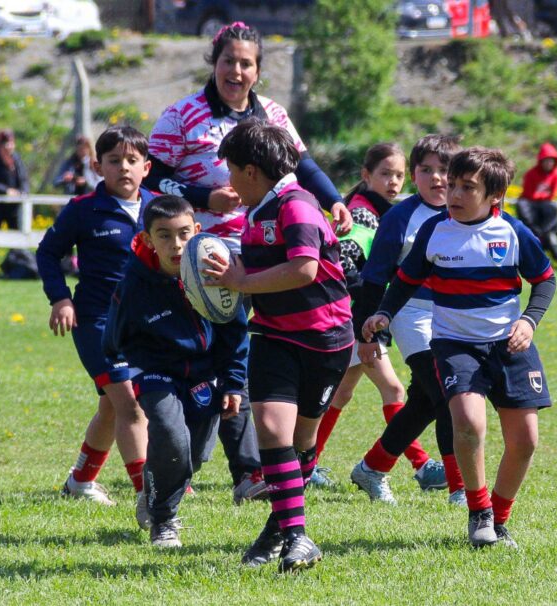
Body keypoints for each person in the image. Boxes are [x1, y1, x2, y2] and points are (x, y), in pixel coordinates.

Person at [146, 21, 354, 502]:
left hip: (265, 258)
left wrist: (334, 199)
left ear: (257, 70)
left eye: (246, 63)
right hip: (204, 259)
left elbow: (303, 164)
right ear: (213, 63)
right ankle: (191, 461)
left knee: (244, 358)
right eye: (228, 61)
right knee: (205, 359)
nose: (235, 71)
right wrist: (203, 196)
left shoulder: (274, 116)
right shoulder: (182, 116)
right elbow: (152, 180)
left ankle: (248, 472)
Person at [363, 147, 556, 549]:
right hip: (454, 344)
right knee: (469, 423)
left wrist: (528, 321)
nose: (453, 194)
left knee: (526, 441)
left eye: (468, 187)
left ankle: (499, 521)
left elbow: (545, 281)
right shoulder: (436, 231)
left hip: (509, 344)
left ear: (494, 197)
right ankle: (479, 512)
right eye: (452, 185)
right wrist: (384, 313)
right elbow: (405, 278)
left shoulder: (514, 233)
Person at [204, 120, 354, 572]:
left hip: (325, 338)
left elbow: (304, 269)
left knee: (302, 443)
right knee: (272, 428)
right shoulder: (257, 212)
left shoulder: (298, 206)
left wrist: (242, 279)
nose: (227, 182)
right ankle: (298, 537)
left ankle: (279, 530)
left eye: (231, 171)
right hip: (274, 333)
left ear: (252, 171)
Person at [104, 195, 248, 548]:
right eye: (164, 235)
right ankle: (164, 522)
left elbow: (235, 330)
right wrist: (120, 361)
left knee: (192, 458)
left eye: (184, 233)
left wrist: (232, 381)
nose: (177, 244)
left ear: (197, 231)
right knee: (170, 436)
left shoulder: (215, 271)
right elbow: (113, 335)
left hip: (204, 373)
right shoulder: (135, 284)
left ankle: (154, 494)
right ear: (149, 238)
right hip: (155, 370)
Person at [36, 126, 152, 521]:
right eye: (114, 161)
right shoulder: (83, 210)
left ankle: (81, 481)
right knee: (131, 406)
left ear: (146, 167)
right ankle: (148, 496)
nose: (124, 168)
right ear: (97, 165)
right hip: (97, 322)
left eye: (132, 160)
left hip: (146, 325)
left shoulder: (159, 208)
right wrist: (61, 298)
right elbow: (47, 252)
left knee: (111, 407)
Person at [311, 143, 443, 489]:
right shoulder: (365, 214)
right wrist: (367, 320)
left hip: (358, 316)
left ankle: (304, 464)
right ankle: (421, 463)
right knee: (394, 387)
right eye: (385, 174)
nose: (394, 182)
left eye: (399, 175)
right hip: (358, 317)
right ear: (366, 176)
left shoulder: (382, 210)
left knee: (341, 393)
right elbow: (345, 261)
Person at [348, 135, 466, 506]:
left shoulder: (465, 212)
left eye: (445, 170)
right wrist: (365, 335)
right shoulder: (401, 216)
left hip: (453, 317)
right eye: (426, 170)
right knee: (448, 393)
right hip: (411, 314)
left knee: (423, 401)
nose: (437, 178)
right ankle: (460, 487)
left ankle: (371, 467)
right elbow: (373, 278)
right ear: (414, 174)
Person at [516, 142, 557, 265]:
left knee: (551, 209)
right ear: (541, 161)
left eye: (551, 161)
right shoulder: (531, 173)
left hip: (544, 206)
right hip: (531, 205)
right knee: (524, 207)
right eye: (546, 161)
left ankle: (556, 249)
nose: (549, 164)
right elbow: (528, 194)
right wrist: (541, 197)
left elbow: (552, 194)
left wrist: (541, 197)